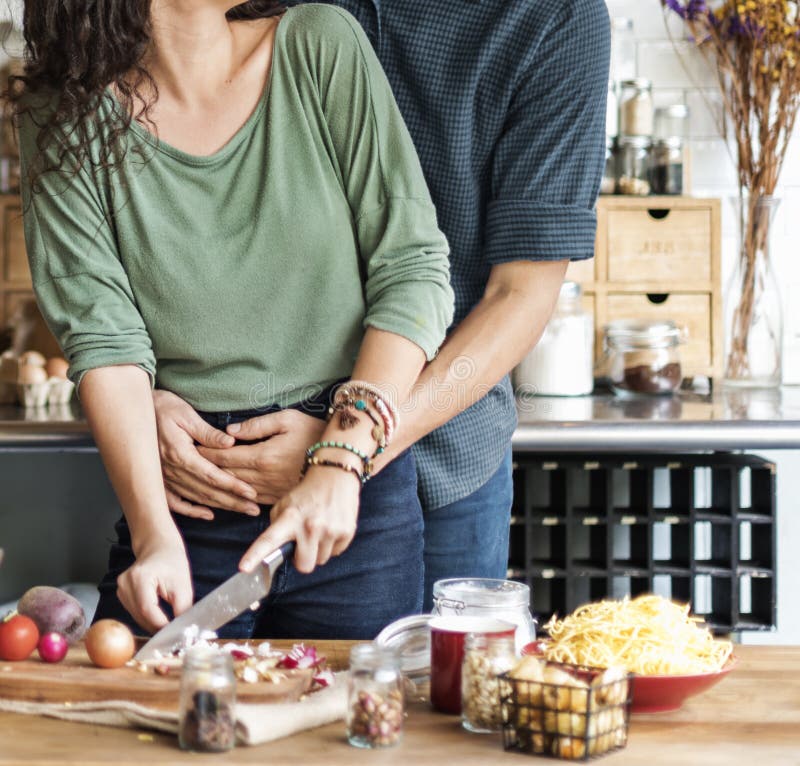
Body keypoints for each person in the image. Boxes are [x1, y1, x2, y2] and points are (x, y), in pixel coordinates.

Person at [12, 0, 454, 638]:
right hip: (190, 496)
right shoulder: (62, 113)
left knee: (350, 729)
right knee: (149, 728)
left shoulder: (319, 45)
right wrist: (153, 535)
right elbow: (103, 340)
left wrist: (340, 459)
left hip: (351, 488)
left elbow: (412, 267)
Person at [154, 0, 611, 611]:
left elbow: (520, 295)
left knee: (416, 702)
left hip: (437, 460)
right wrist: (143, 396)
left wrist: (344, 449)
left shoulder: (558, 17)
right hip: (230, 458)